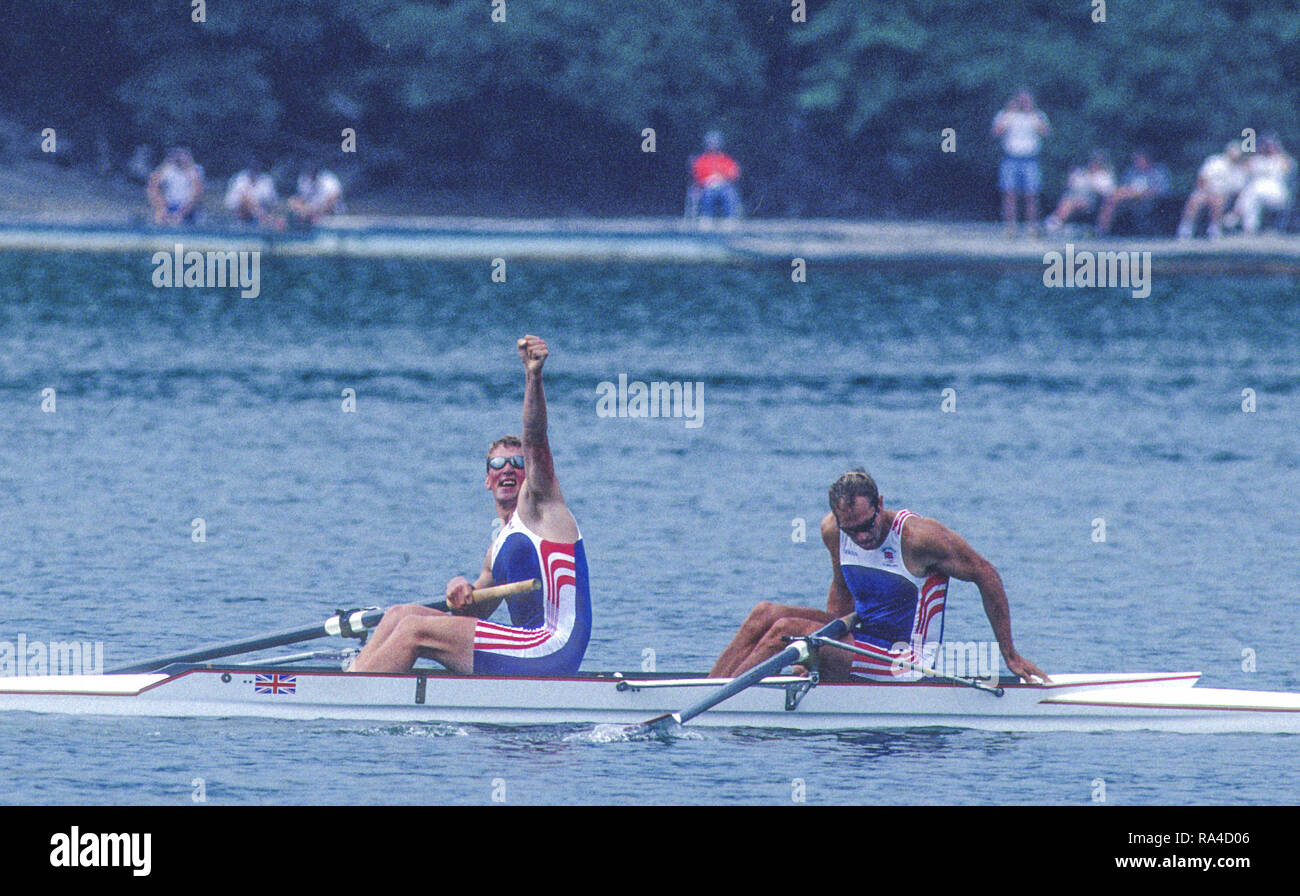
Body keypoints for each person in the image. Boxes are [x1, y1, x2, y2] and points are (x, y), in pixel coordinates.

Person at [349, 335, 592, 675]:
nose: (507, 469)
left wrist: (532, 376)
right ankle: (352, 679)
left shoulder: (542, 506)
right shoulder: (496, 550)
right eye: (497, 465)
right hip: (524, 647)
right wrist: (459, 587)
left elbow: (535, 436)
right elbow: (472, 615)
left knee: (414, 631)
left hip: (552, 648)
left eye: (517, 463)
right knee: (400, 615)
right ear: (487, 480)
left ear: (530, 473)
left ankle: (352, 695)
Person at [710, 470, 1048, 684]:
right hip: (862, 639)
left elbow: (986, 574)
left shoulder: (918, 537)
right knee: (765, 613)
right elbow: (842, 590)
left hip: (905, 659)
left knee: (785, 630)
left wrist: (1010, 655)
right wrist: (818, 652)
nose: (861, 538)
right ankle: (704, 689)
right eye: (851, 530)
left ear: (880, 504)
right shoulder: (833, 530)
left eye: (867, 525)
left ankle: (722, 706)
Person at [991, 89, 1050, 235]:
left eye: (1027, 100)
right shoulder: (1006, 115)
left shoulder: (1038, 116)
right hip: (1010, 159)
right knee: (1009, 194)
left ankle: (1031, 227)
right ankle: (1010, 227)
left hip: (1030, 160)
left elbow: (1045, 132)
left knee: (1031, 194)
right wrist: (1008, 113)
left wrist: (1032, 114)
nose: (1024, 103)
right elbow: (996, 132)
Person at [1225, 135, 1295, 235]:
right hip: (1256, 192)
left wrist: (1278, 152)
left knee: (1251, 192)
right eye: (1265, 145)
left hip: (1277, 192)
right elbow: (1244, 168)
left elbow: (1288, 168)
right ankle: (1249, 229)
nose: (1268, 147)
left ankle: (1235, 216)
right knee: (1251, 195)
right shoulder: (1256, 160)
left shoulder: (1282, 160)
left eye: (1270, 145)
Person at [1177, 141, 1247, 240]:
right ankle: (1185, 229)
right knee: (1195, 200)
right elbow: (1201, 178)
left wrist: (1224, 196)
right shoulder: (1214, 161)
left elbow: (1238, 191)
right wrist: (1207, 192)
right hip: (1205, 190)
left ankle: (1214, 229)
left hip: (1223, 195)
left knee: (1218, 202)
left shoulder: (1239, 171)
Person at [1095, 151, 1171, 235]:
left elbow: (1161, 191)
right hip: (1129, 200)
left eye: (1139, 159)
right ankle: (1102, 229)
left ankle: (1101, 229)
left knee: (1113, 199)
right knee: (1111, 199)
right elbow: (1123, 186)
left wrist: (1137, 193)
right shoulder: (1132, 172)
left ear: (1147, 160)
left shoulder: (1158, 172)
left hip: (1150, 201)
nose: (1136, 162)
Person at [1044, 150, 1115, 233]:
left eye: (1096, 161)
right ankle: (1054, 223)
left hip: (1092, 202)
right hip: (1074, 197)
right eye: (1092, 161)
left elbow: (1106, 192)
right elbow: (1072, 186)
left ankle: (1052, 223)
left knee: (1070, 203)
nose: (1093, 163)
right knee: (1067, 201)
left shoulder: (1104, 176)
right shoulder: (1081, 172)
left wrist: (1091, 183)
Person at [687, 131, 742, 222]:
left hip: (724, 185)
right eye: (711, 143)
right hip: (707, 186)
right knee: (708, 194)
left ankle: (730, 218)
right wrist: (708, 180)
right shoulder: (701, 160)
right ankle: (706, 217)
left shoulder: (726, 159)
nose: (713, 145)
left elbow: (734, 173)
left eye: (715, 143)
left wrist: (722, 178)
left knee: (729, 193)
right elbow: (697, 175)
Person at [146, 148, 205, 225]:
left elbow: (197, 194)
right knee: (159, 218)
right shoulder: (166, 169)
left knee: (181, 220)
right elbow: (152, 187)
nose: (181, 157)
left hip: (189, 207)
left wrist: (181, 213)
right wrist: (161, 207)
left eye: (184, 155)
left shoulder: (195, 171)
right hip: (168, 205)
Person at [223, 159, 284, 229]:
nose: (254, 169)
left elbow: (272, 202)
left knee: (281, 221)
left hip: (262, 212)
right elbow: (231, 202)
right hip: (242, 212)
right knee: (246, 198)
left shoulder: (266, 180)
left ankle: (265, 220)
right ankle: (265, 219)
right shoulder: (239, 179)